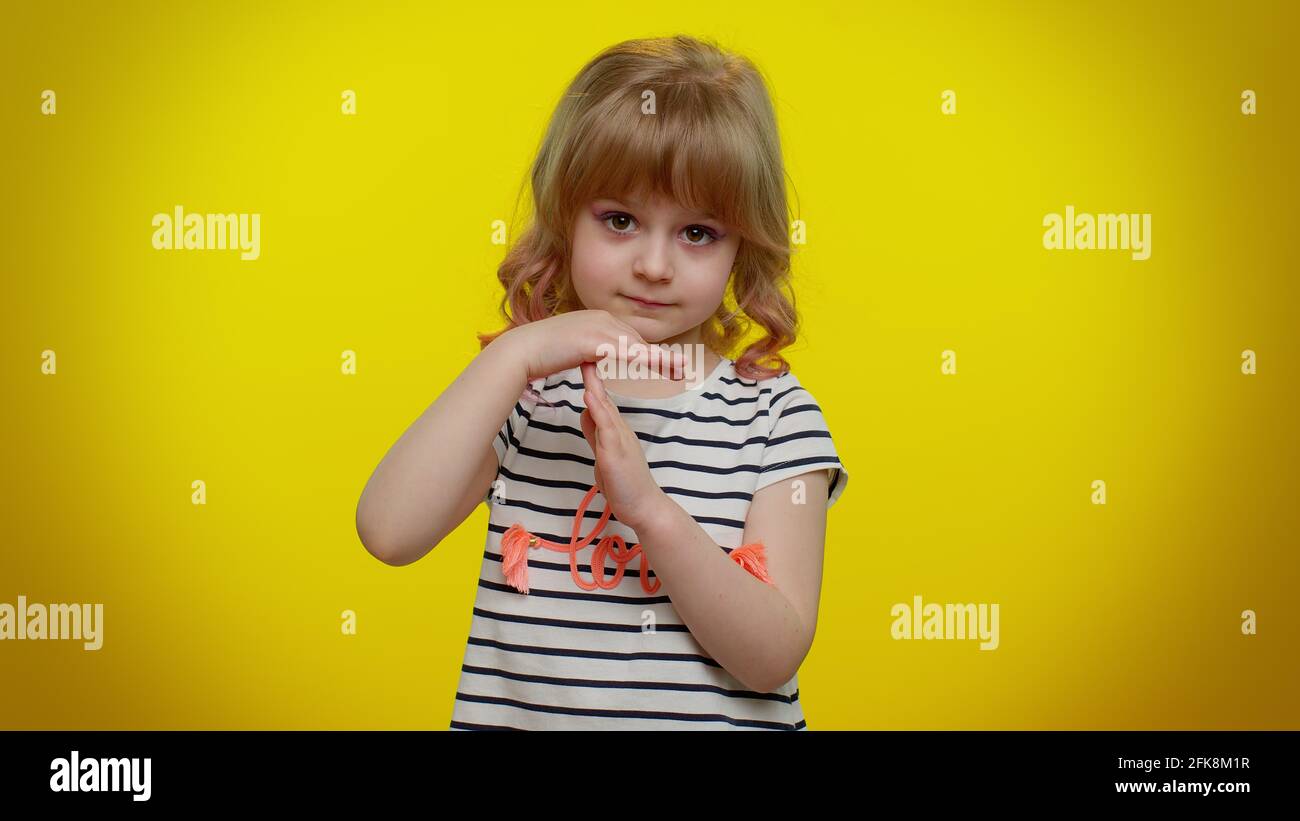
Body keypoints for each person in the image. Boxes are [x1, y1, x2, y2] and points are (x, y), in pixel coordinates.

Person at [357, 34, 848, 730]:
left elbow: (772, 654)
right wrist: (515, 356)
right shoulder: (527, 395)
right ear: (564, 215)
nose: (654, 263)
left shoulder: (772, 417)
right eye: (620, 220)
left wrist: (649, 510)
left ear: (745, 242)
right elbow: (387, 530)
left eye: (699, 232)